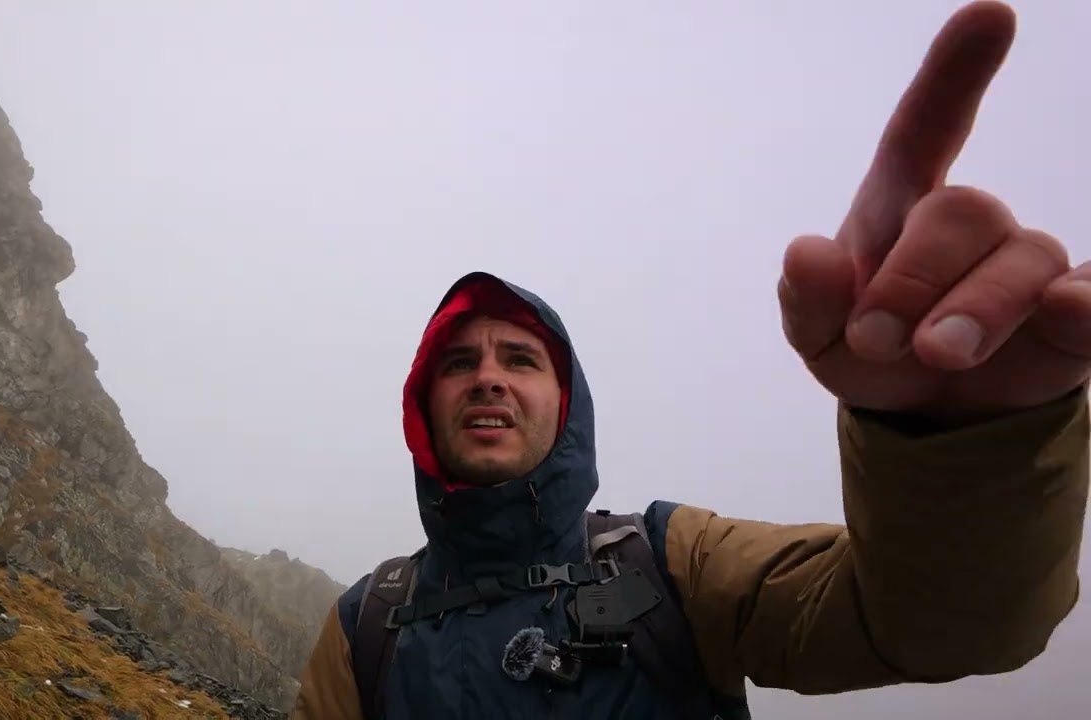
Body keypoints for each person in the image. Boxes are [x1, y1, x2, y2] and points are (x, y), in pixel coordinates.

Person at [291, 2, 1089, 718]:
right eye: (458, 362)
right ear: (422, 409)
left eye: (522, 359)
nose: (488, 377)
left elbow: (943, 627)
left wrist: (961, 443)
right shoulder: (366, 627)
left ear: (567, 408)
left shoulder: (674, 561)